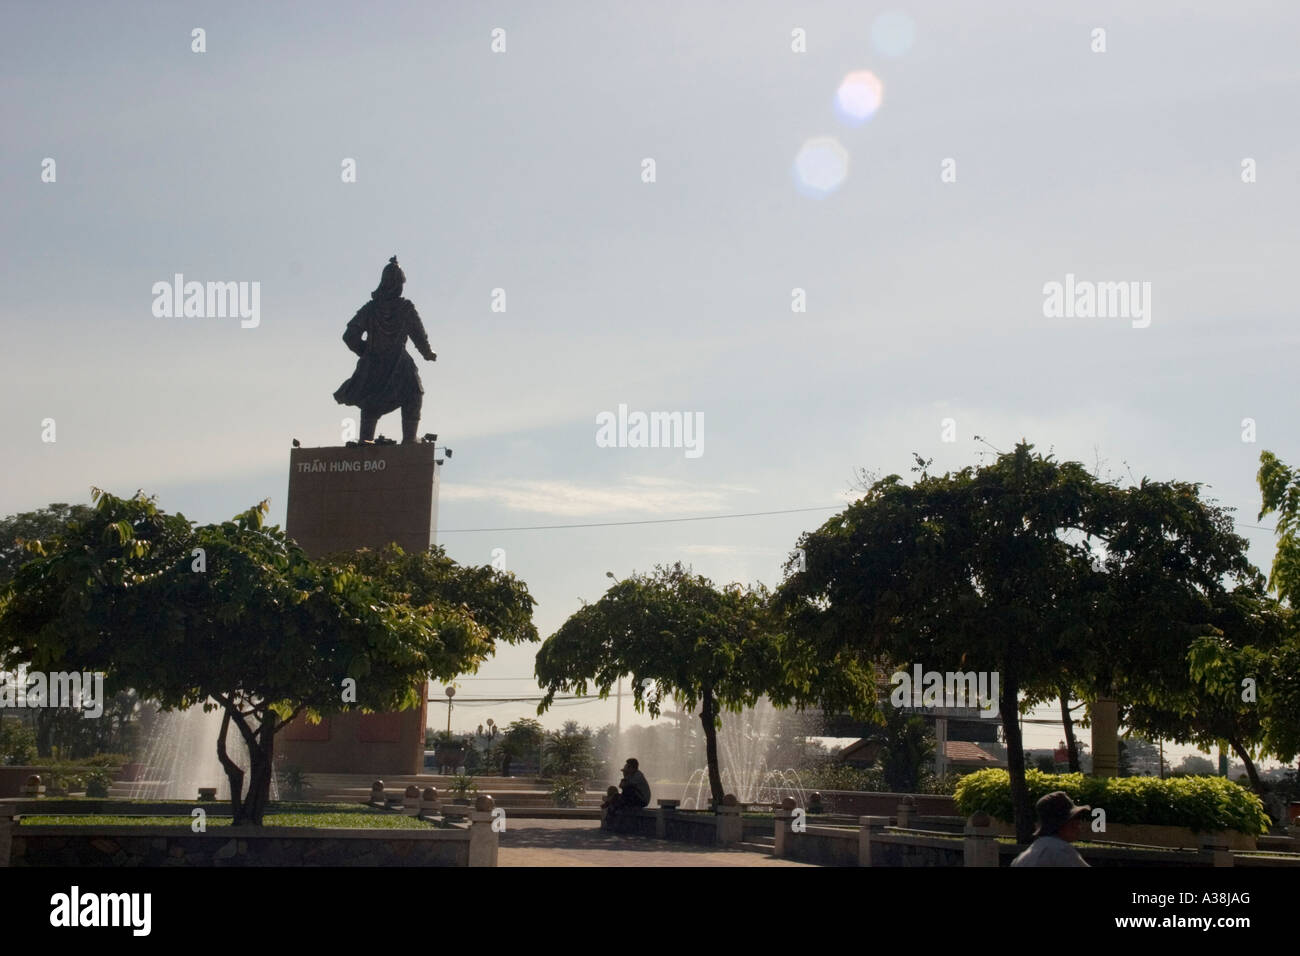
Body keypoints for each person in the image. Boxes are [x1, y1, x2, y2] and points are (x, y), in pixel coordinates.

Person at [333, 256, 437, 444]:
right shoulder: (405, 308)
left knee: (371, 401)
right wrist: (428, 353)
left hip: (373, 365)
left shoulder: (370, 308)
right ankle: (409, 440)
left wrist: (366, 352)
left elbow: (349, 336)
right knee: (413, 392)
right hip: (399, 364)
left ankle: (366, 439)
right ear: (397, 284)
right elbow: (419, 336)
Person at [1010, 791, 1091, 867]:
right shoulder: (1061, 850)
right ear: (1063, 823)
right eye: (1075, 819)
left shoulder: (1021, 858)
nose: (1078, 824)